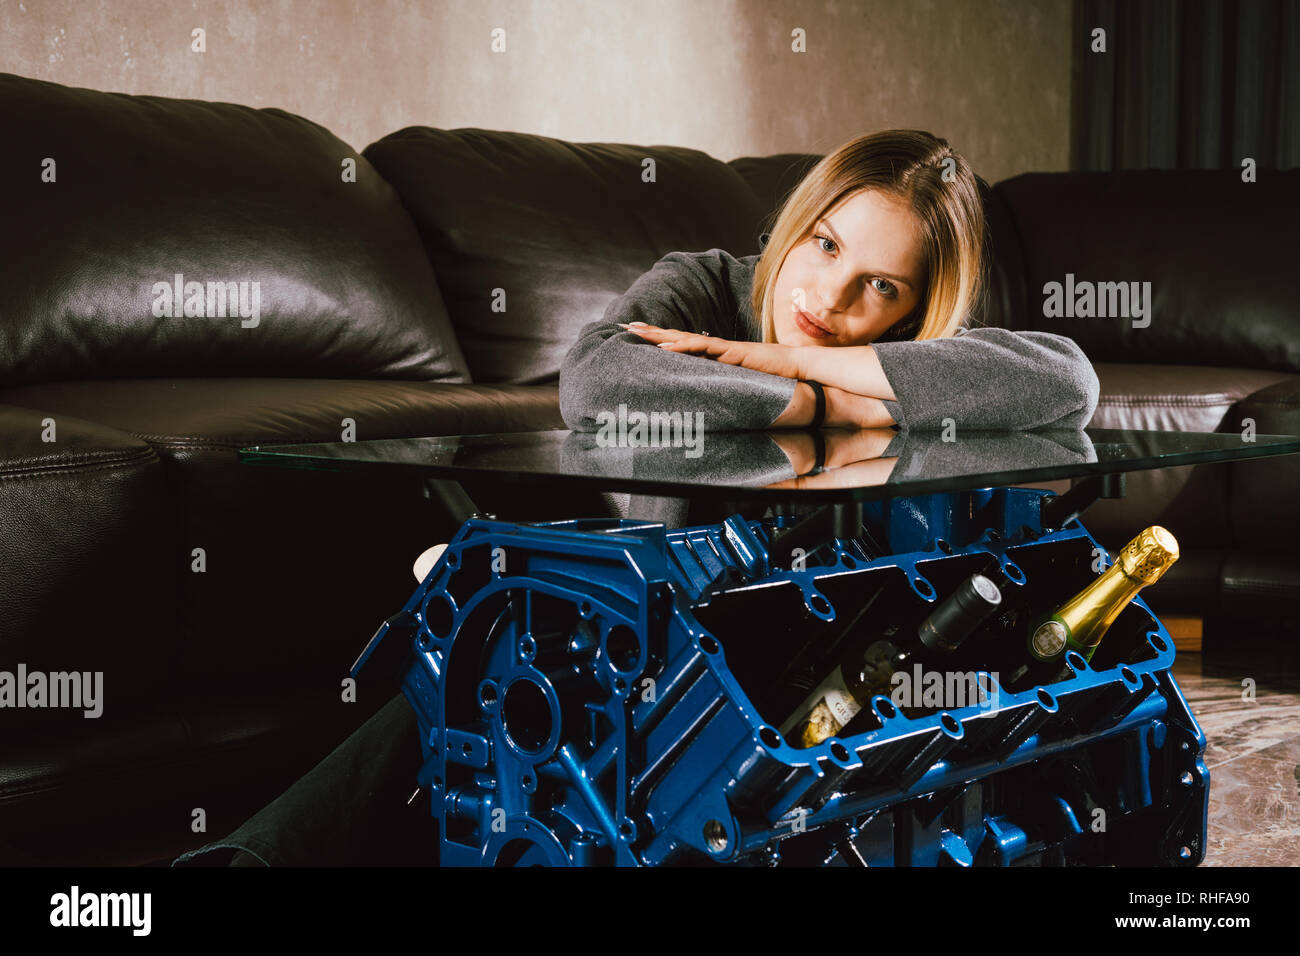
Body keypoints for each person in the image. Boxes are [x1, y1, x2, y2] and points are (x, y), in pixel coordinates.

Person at [174, 129, 1099, 866]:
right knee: (495, 665)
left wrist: (802, 359)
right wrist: (816, 402)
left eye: (879, 287)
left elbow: (1068, 378)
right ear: (802, 219)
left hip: (806, 630)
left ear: (911, 313)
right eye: (824, 245)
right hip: (654, 605)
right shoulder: (702, 283)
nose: (828, 293)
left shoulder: (901, 358)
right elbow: (597, 384)